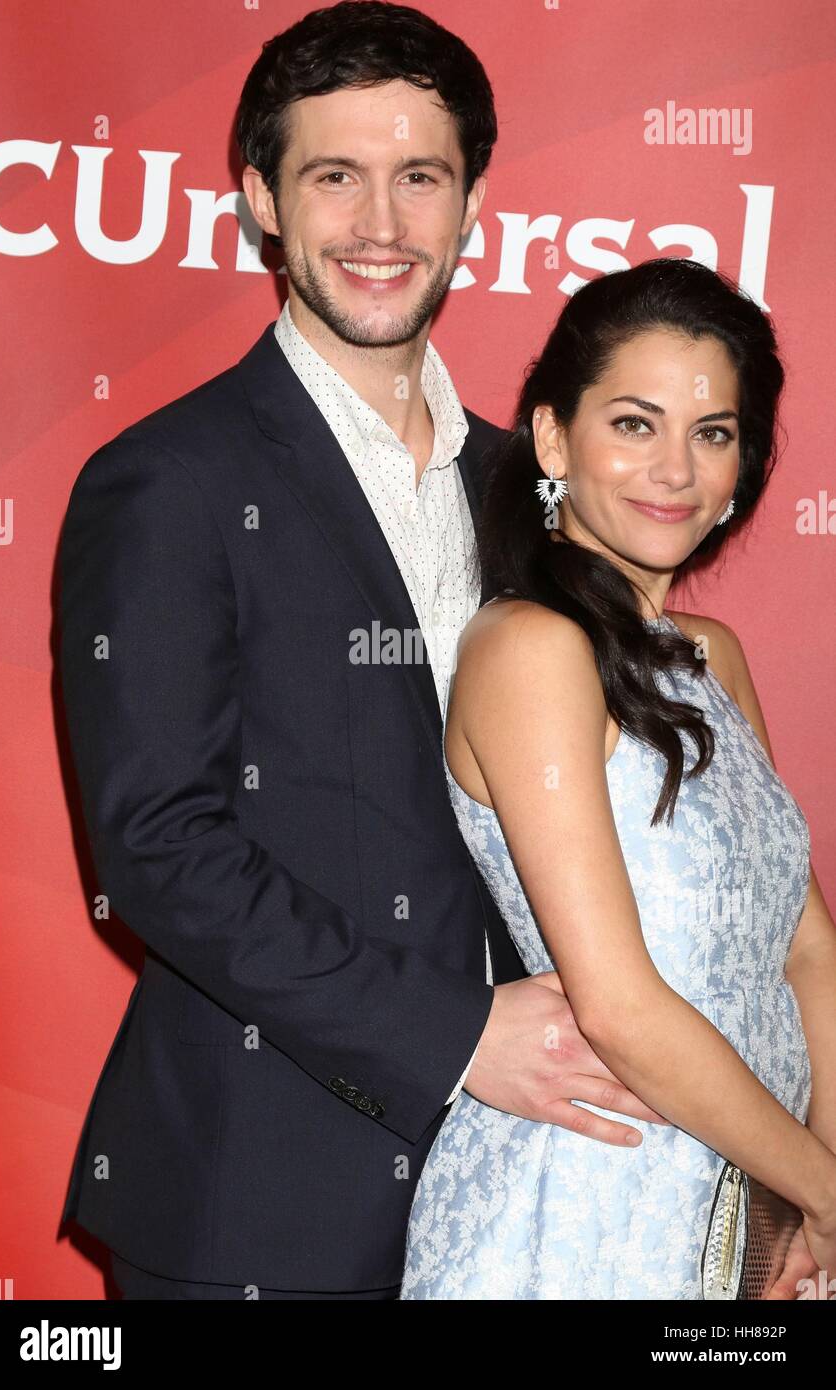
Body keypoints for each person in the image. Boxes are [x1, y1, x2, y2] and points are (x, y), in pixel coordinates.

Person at [57, 2, 667, 1301]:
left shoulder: (530, 495)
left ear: (472, 205)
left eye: (418, 177)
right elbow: (157, 845)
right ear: (260, 202)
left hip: (529, 1193)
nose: (380, 224)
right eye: (334, 176)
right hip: (260, 1199)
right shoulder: (167, 480)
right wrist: (457, 1036)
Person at [400, 256, 836, 1300]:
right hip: (592, 1204)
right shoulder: (527, 648)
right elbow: (618, 1004)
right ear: (552, 437)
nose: (674, 471)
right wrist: (822, 1188)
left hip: (750, 1204)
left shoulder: (709, 654)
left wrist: (805, 1198)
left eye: (712, 432)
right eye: (633, 424)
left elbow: (807, 946)